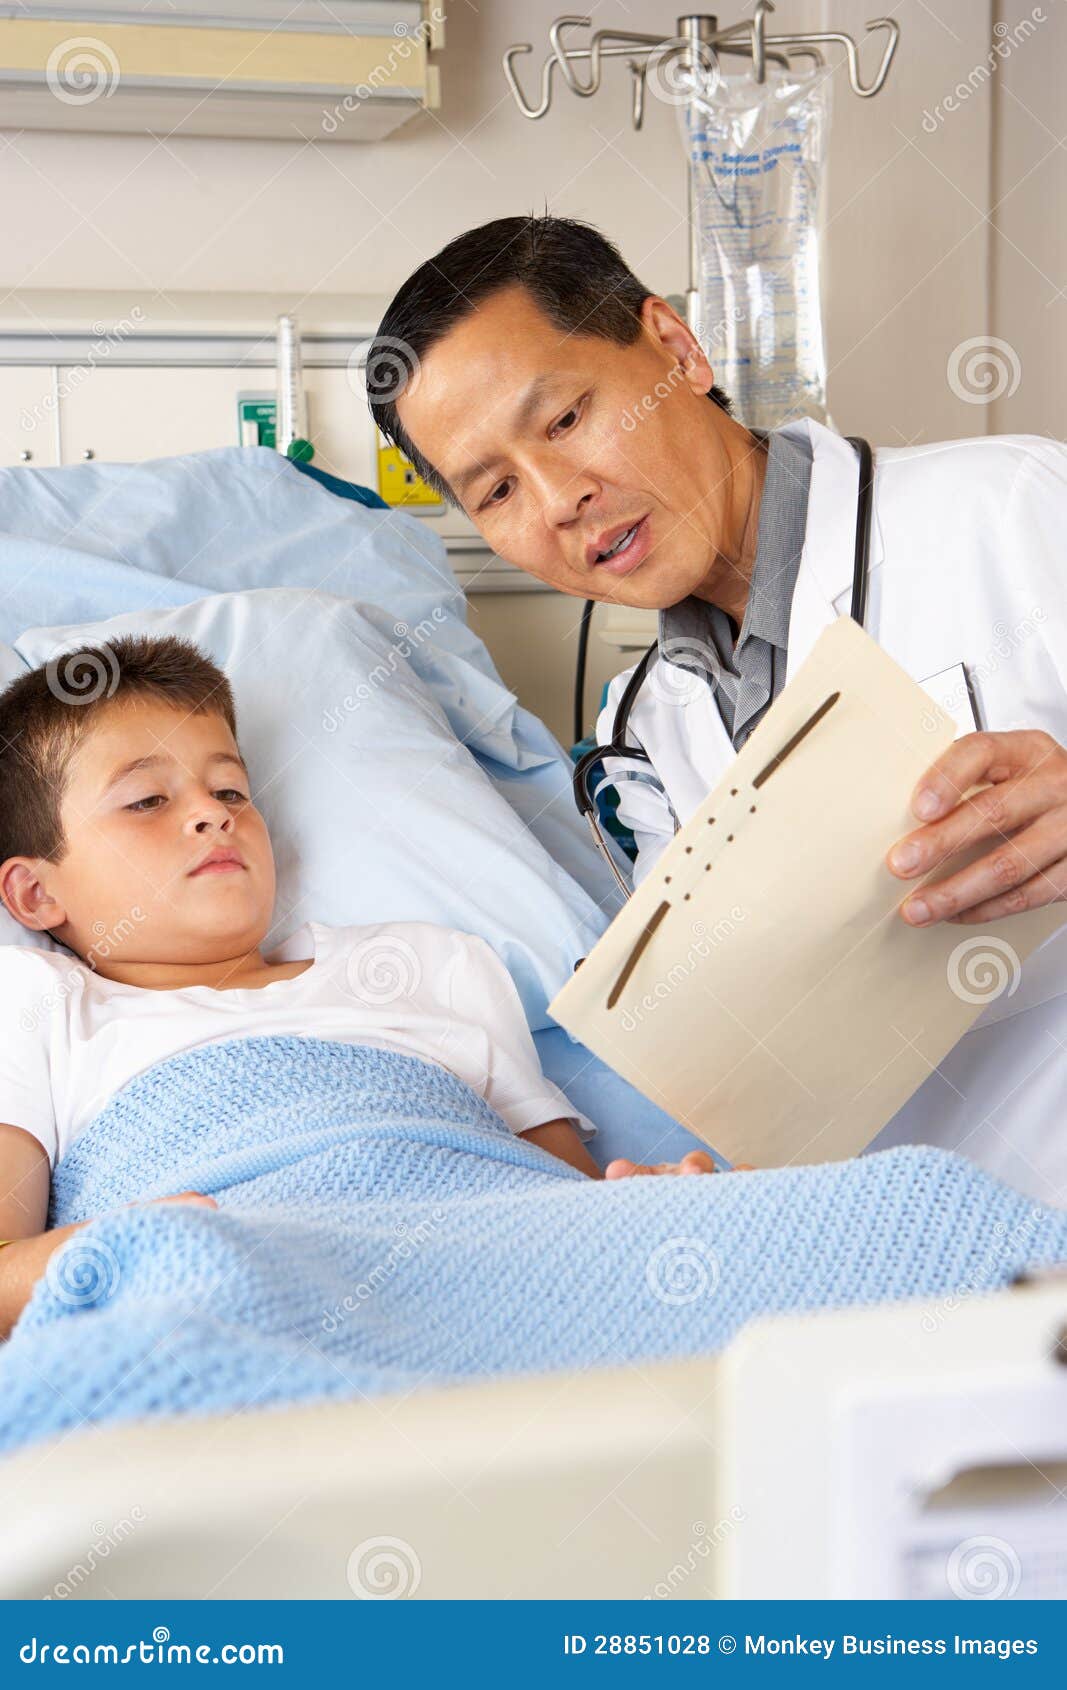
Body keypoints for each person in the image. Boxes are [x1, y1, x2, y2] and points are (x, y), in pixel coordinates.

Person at [368, 213, 1067, 1202]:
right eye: (494, 490)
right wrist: (714, 1182)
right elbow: (774, 1072)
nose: (556, 497)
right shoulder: (637, 742)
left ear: (673, 347)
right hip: (917, 1259)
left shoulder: (1009, 511)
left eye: (563, 421)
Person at [0, 636, 721, 1341]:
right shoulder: (40, 1007)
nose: (213, 812)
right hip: (237, 1297)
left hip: (514, 1274)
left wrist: (646, 1211)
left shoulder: (431, 965)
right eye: (146, 800)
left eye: (230, 790)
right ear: (34, 894)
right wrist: (127, 1251)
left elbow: (571, 1209)